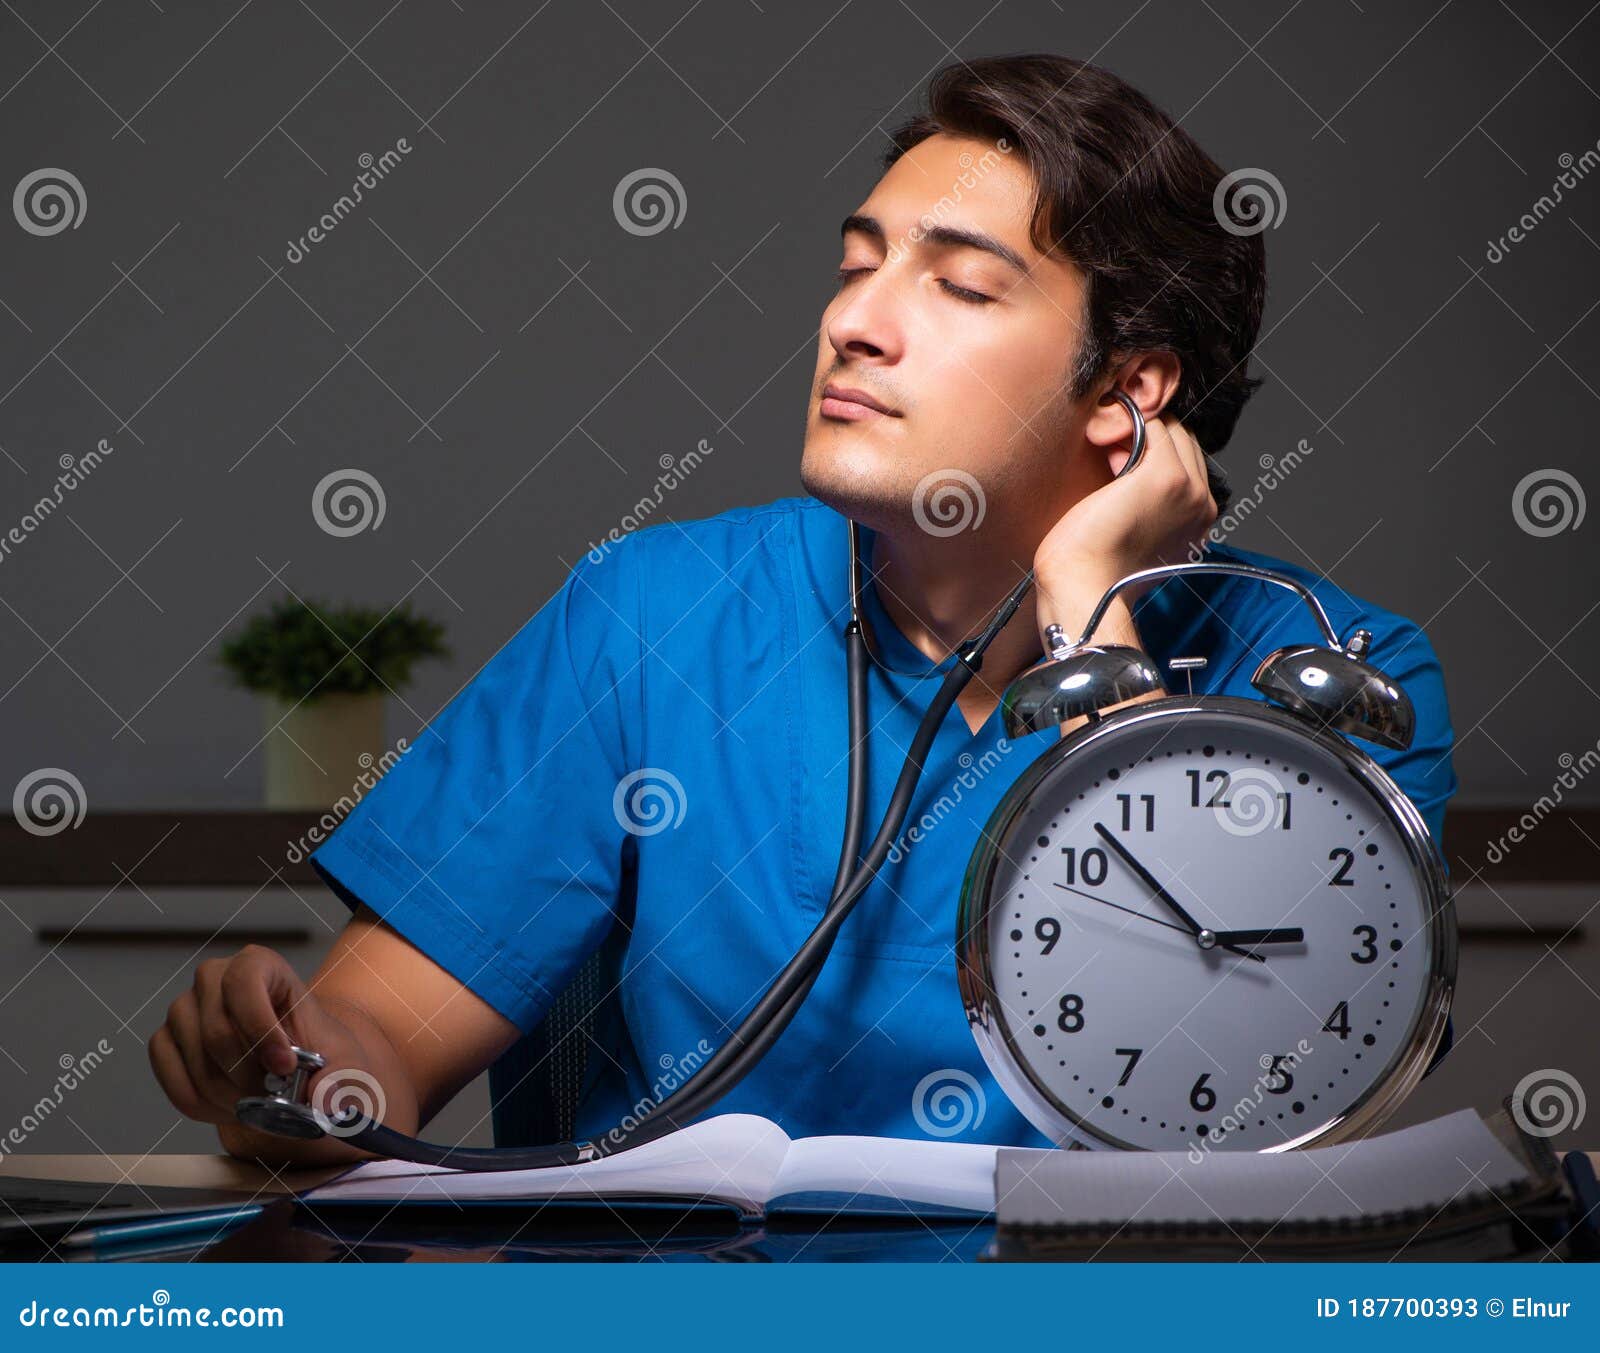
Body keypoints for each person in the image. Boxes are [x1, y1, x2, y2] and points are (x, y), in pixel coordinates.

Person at [150, 54, 1456, 1167]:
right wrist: (284, 1062)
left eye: (957, 283)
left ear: (1129, 393)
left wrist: (1090, 621)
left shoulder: (1339, 672)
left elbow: (1238, 1117)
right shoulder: (650, 618)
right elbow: (372, 1051)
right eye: (856, 262)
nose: (856, 321)